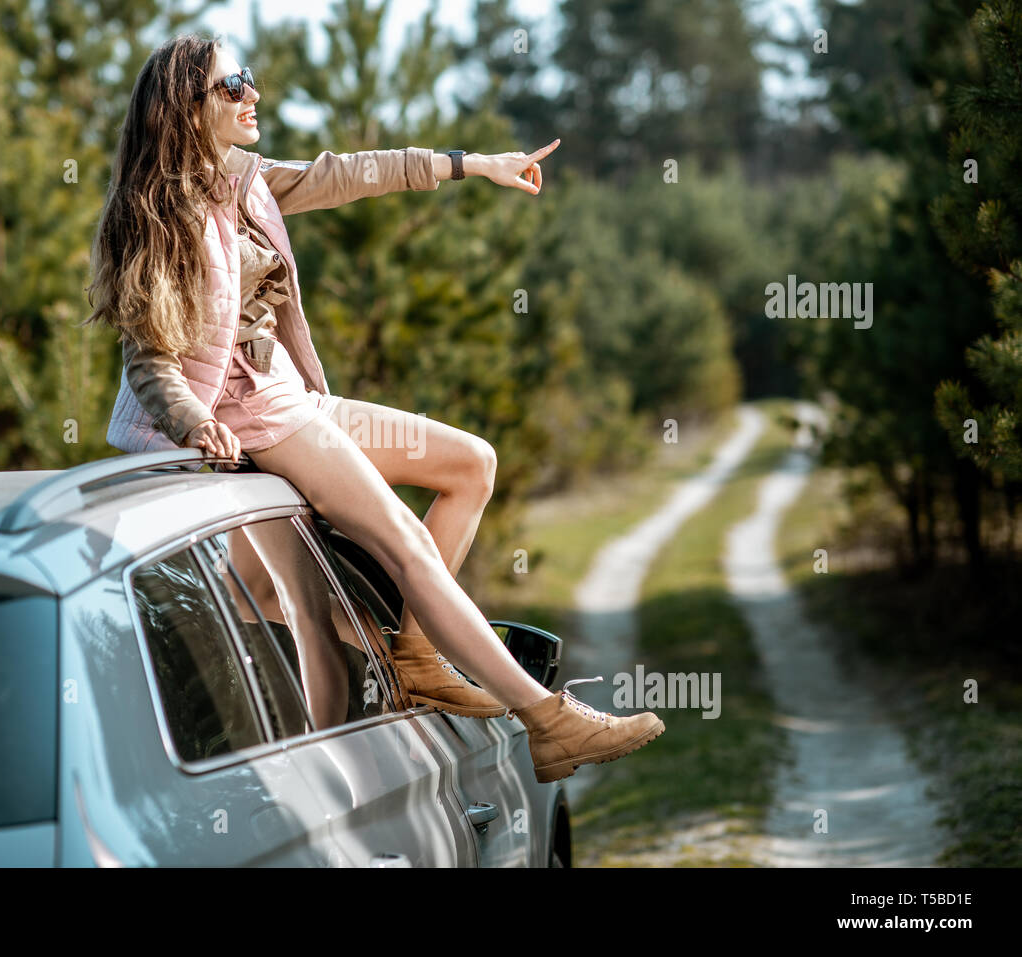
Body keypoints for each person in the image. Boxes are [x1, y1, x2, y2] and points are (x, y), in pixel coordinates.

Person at [85, 33, 664, 782]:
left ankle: (418, 656)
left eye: (250, 79)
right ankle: (547, 718)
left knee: (470, 464)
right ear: (184, 109)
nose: (253, 94)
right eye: (235, 86)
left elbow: (354, 173)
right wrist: (196, 423)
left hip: (287, 392)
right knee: (402, 543)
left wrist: (477, 165)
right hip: (244, 410)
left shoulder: (246, 180)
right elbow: (148, 360)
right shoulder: (152, 217)